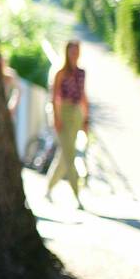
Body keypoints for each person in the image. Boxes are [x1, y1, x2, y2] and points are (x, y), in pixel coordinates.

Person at [45, 40, 90, 208]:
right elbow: (54, 95)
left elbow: (84, 96)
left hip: (76, 113)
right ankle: (77, 195)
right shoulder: (60, 72)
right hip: (62, 112)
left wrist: (86, 119)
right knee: (69, 155)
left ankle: (48, 188)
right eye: (72, 51)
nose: (75, 54)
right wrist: (56, 118)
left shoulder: (81, 72)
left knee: (64, 156)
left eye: (77, 51)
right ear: (67, 52)